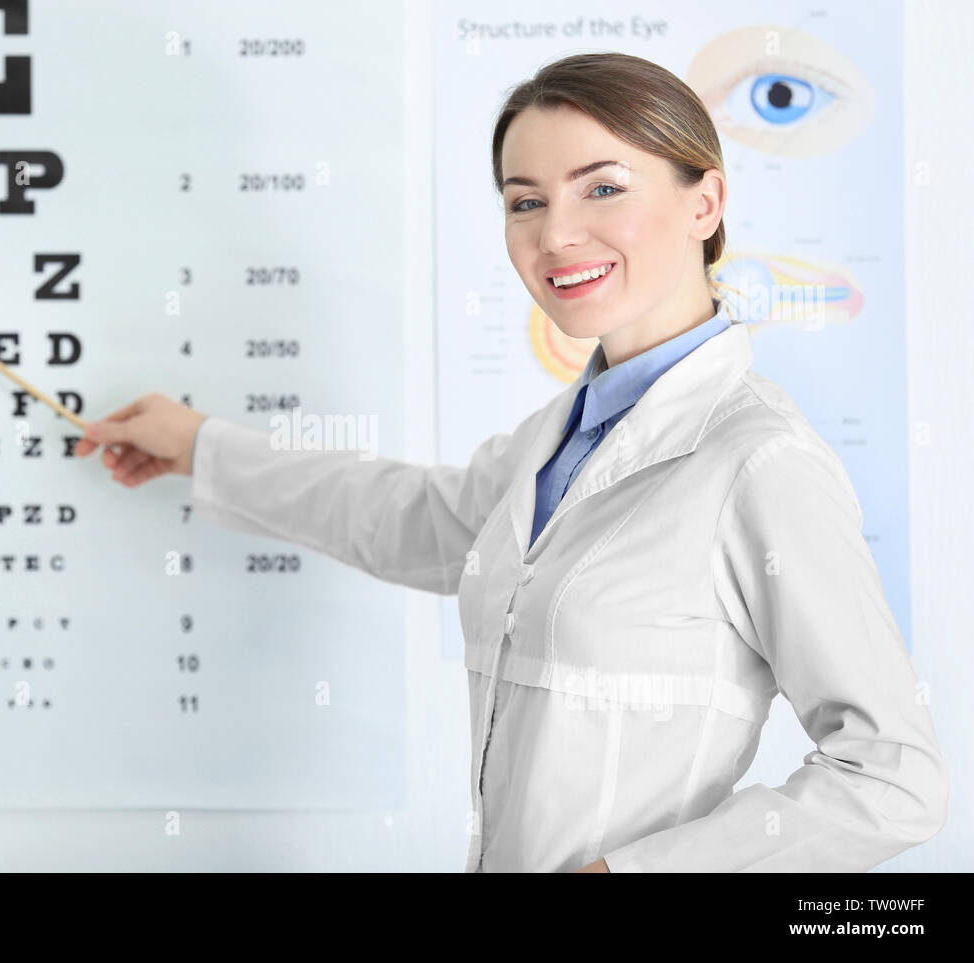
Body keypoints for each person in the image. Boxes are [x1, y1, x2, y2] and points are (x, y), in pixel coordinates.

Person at [72, 52, 948, 872]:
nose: (556, 235)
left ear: (704, 203)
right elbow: (410, 518)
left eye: (602, 188)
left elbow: (893, 776)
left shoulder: (759, 460)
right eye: (525, 202)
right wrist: (200, 445)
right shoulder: (563, 434)